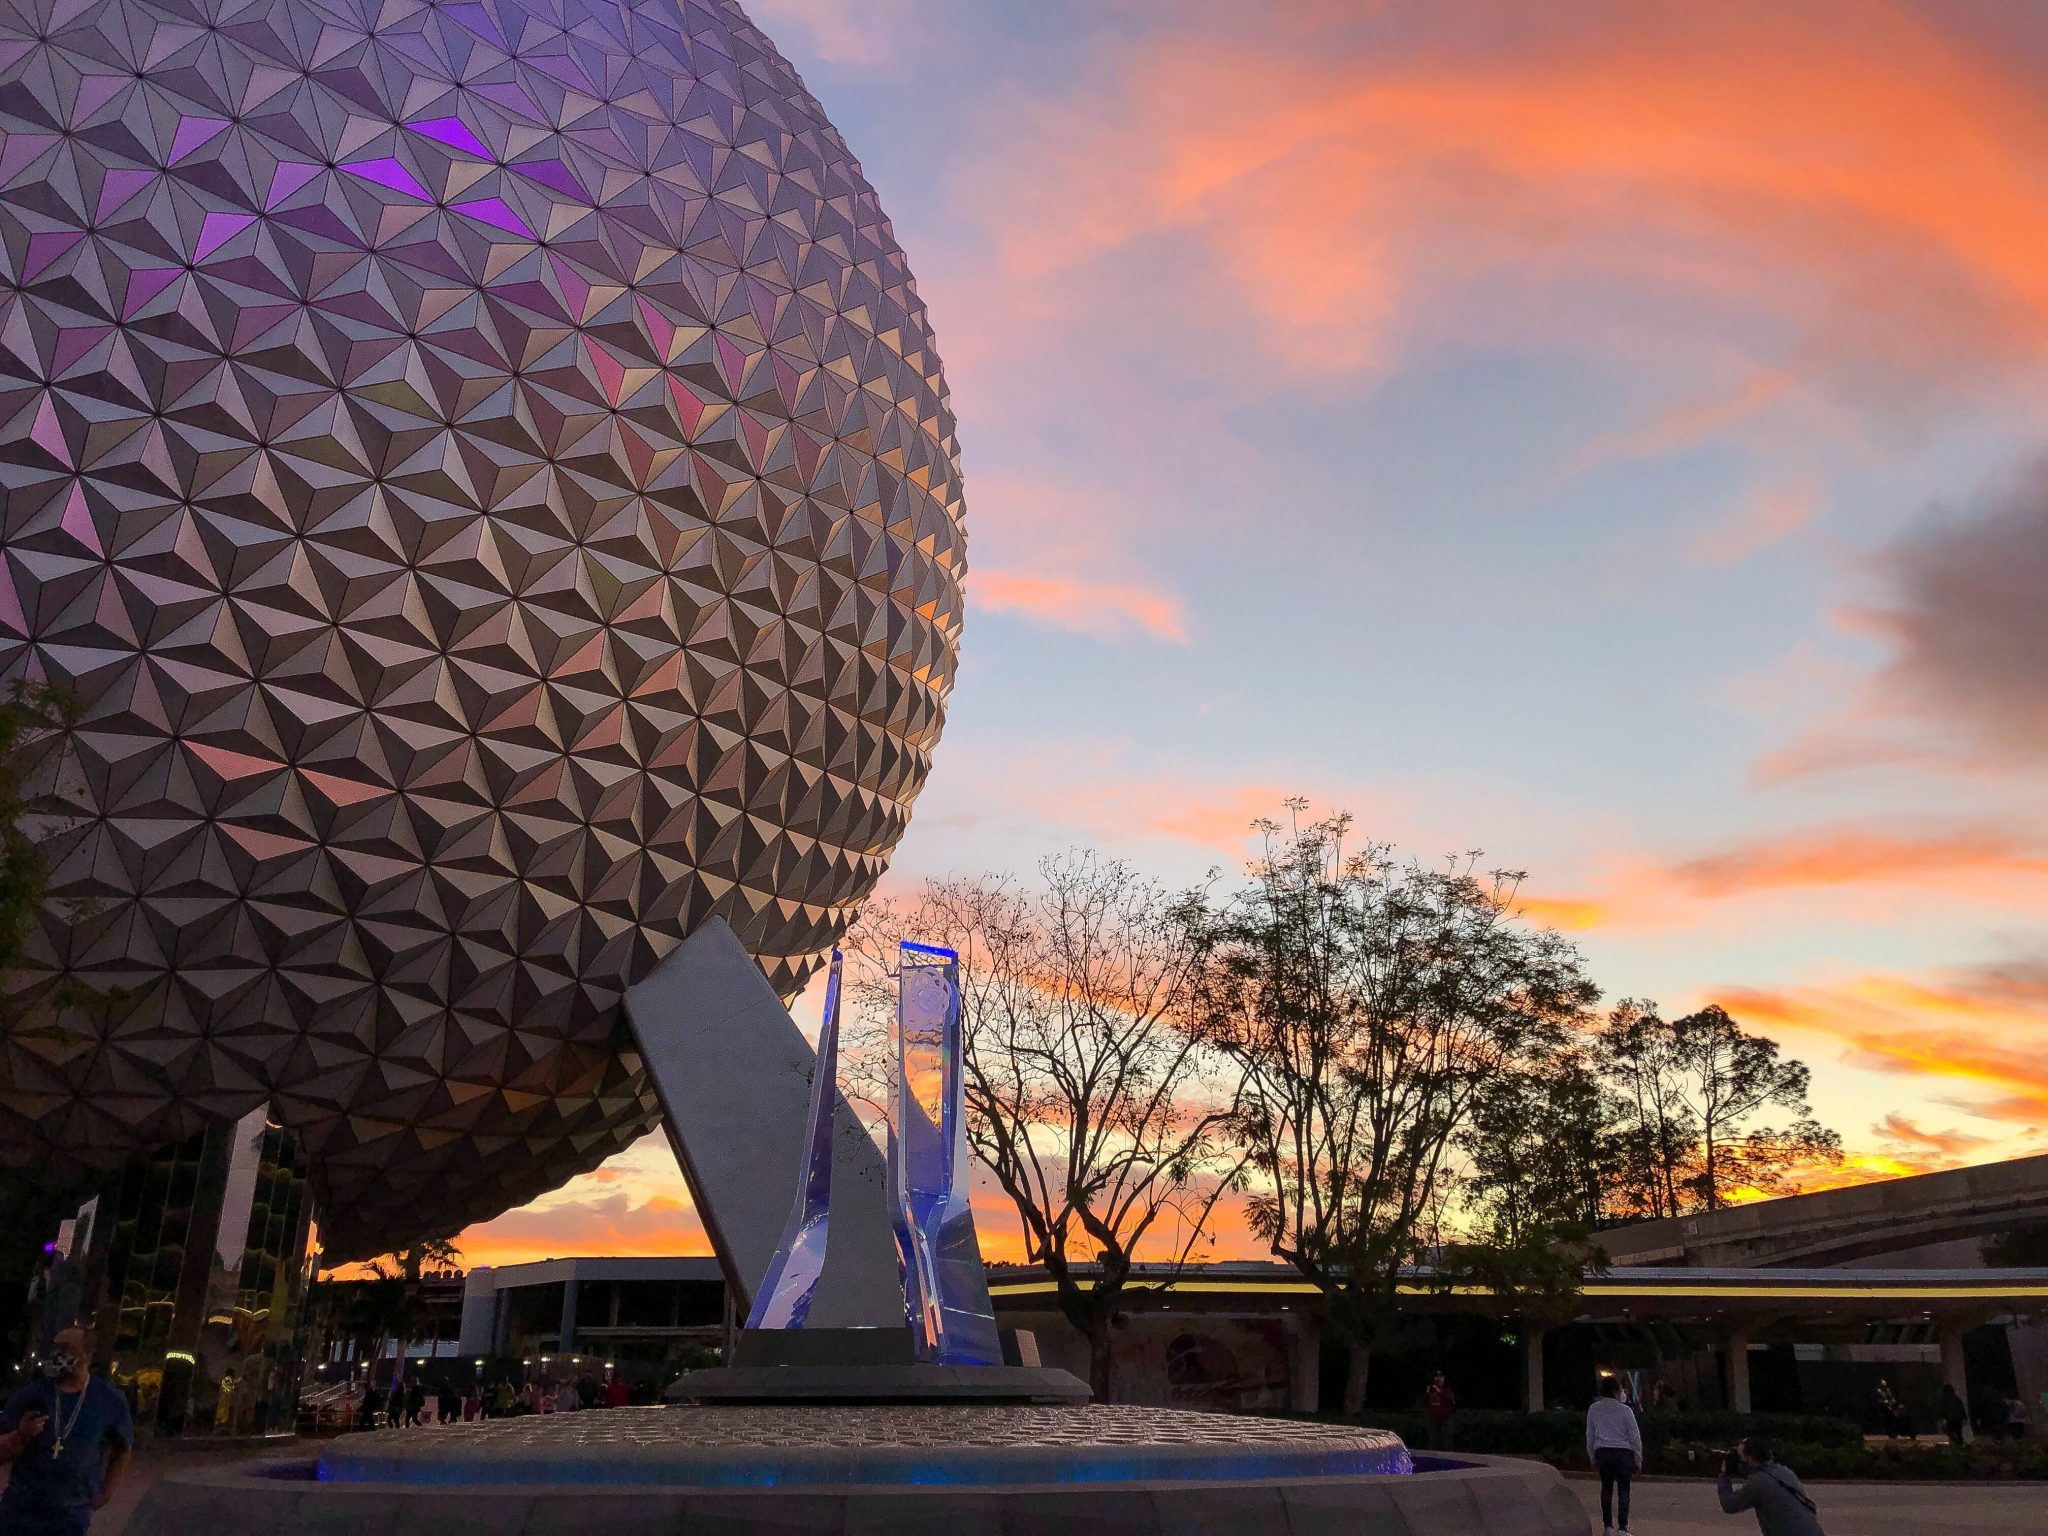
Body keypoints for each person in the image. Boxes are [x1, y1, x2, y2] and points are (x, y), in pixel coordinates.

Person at [0, 1322, 135, 1536]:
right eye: (56, 1348)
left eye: (67, 1349)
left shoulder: (109, 1400)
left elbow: (123, 1448)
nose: (58, 1355)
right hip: (19, 1512)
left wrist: (105, 1493)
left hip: (70, 1518)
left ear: (87, 1355)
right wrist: (21, 1435)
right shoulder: (31, 1395)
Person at [1717, 1436, 1826, 1536]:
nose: (1738, 1461)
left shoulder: (1758, 1482)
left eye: (1740, 1457)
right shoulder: (1785, 1472)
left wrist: (1724, 1476)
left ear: (1750, 1459)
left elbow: (1729, 1505)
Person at [1585, 1375, 1642, 1536]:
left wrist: (1592, 1456)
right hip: (1623, 1453)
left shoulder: (1594, 1409)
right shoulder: (1626, 1411)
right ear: (1616, 1391)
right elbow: (1635, 1438)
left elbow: (1590, 1435)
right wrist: (1638, 1459)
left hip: (1603, 1452)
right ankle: (1623, 1528)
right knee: (1624, 1490)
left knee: (1606, 1489)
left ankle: (1608, 1527)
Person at [1421, 1370, 1456, 1451]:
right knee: (1433, 1438)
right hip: (1433, 1417)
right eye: (1437, 1377)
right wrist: (1427, 1393)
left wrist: (1439, 1391)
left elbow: (1451, 1401)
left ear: (1443, 1379)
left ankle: (1448, 1455)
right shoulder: (1431, 1389)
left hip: (1445, 1417)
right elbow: (1424, 1402)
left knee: (1447, 1438)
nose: (1438, 1379)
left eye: (1441, 1377)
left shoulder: (1447, 1390)